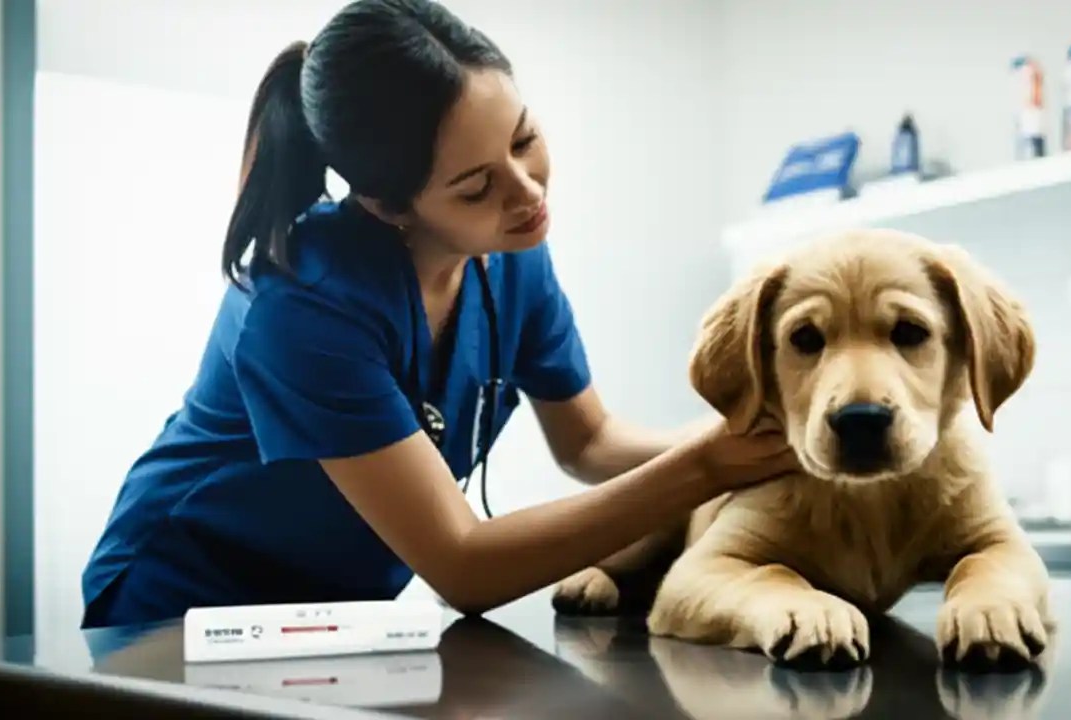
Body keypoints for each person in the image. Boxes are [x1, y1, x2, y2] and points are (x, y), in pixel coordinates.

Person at [79, 0, 797, 628]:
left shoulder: (512, 255)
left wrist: (764, 436)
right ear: (390, 205)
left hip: (335, 616)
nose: (526, 194)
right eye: (476, 185)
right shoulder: (302, 303)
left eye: (524, 139)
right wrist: (707, 467)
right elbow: (463, 567)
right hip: (174, 608)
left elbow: (591, 442)